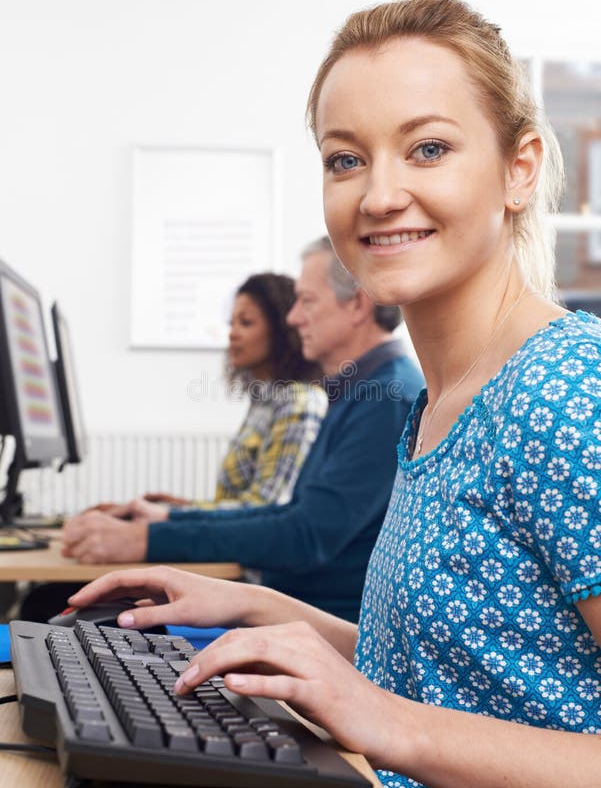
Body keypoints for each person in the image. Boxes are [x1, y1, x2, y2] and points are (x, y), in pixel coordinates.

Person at [69, 0, 601, 788]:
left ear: (519, 167)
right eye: (345, 160)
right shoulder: (440, 400)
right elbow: (451, 676)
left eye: (427, 149)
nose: (379, 195)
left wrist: (389, 727)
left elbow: (405, 714)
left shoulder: (567, 396)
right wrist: (263, 612)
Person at [62, 238, 423, 621]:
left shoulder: (386, 397)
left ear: (357, 304)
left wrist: (147, 539)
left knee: (100, 619)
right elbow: (290, 514)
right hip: (292, 607)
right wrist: (168, 520)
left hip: (318, 627)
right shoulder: (360, 391)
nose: (293, 317)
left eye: (307, 301)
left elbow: (305, 536)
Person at [112, 272, 328, 511]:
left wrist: (168, 514)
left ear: (280, 331)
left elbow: (266, 509)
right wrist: (181, 506)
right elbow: (243, 504)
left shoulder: (298, 403)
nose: (232, 333)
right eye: (231, 323)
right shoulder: (265, 400)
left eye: (245, 323)